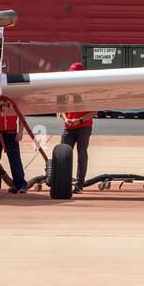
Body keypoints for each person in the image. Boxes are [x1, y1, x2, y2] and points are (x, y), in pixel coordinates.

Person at [58, 61, 93, 194]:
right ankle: (62, 182)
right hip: (69, 125)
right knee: (63, 155)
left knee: (81, 154)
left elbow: (94, 111)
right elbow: (60, 108)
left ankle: (79, 184)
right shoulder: (64, 88)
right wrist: (66, 119)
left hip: (83, 126)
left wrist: (80, 120)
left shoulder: (88, 90)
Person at [0, 106, 27, 194]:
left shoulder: (13, 98)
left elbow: (22, 114)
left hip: (10, 132)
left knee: (15, 159)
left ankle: (20, 184)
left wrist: (20, 131)